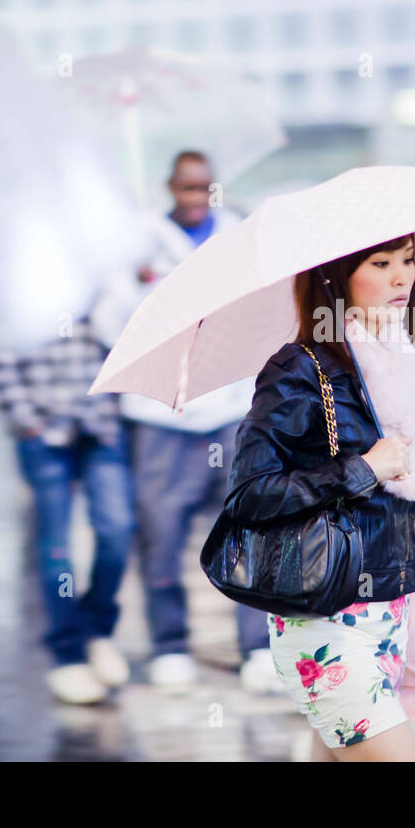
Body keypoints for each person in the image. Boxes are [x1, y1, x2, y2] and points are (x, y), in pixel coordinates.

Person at [225, 231, 415, 761]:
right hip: (328, 623)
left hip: (388, 613)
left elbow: (402, 496)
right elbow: (250, 495)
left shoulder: (393, 362)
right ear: (335, 279)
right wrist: (362, 468)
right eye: (380, 263)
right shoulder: (299, 370)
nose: (401, 276)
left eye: (406, 260)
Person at [90, 149, 267, 694]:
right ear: (170, 188)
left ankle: (257, 647)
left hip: (233, 411)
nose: (195, 199)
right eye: (186, 189)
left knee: (248, 531)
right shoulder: (138, 243)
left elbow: (268, 314)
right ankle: (170, 644)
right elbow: (107, 321)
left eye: (204, 189)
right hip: (160, 415)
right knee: (161, 534)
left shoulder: (242, 238)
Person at [0, 314, 135, 705]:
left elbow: (124, 339)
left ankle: (96, 630)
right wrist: (27, 421)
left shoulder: (103, 281)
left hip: (100, 424)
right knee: (56, 548)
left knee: (117, 531)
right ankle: (67, 653)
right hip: (43, 430)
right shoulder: (19, 291)